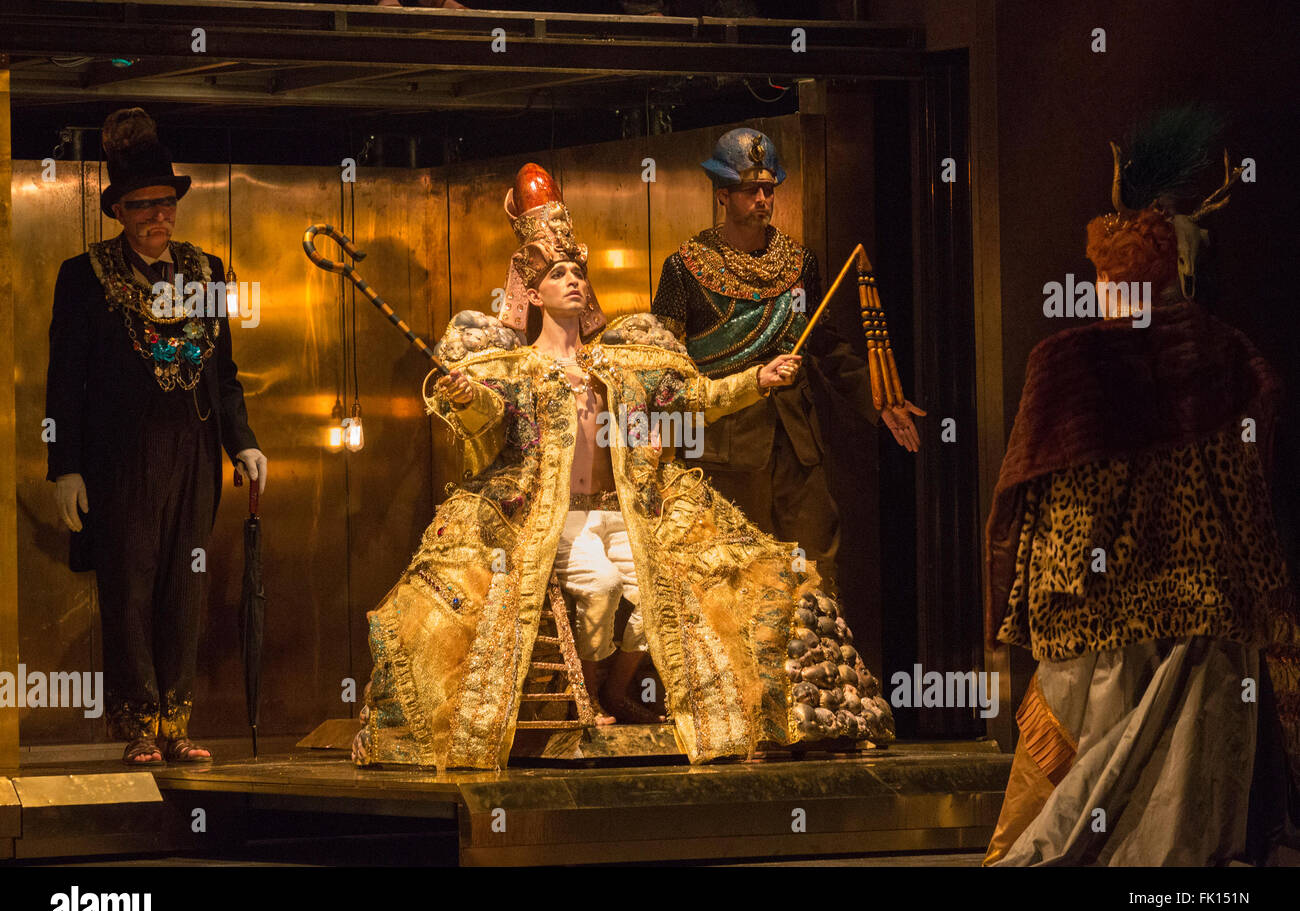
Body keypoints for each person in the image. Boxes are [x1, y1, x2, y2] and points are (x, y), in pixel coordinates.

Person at [353, 163, 894, 770]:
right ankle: (581, 694)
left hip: (630, 512)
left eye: (578, 272)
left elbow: (697, 400)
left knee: (667, 587)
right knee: (603, 590)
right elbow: (484, 417)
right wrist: (463, 396)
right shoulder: (514, 369)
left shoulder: (624, 362)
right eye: (559, 274)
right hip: (555, 518)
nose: (575, 283)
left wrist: (757, 380)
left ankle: (617, 689)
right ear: (532, 291)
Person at [982, 109, 1299, 865]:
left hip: (1095, 603)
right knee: (1188, 773)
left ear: (1110, 277)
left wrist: (1023, 597)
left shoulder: (1064, 362)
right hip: (1203, 599)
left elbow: (1032, 499)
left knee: (1092, 744)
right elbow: (1245, 484)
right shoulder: (1227, 353)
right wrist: (1264, 591)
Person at [45, 108, 267, 765]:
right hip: (120, 456)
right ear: (118, 210)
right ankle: (138, 724)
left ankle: (178, 721)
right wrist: (66, 465)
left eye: (165, 205)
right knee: (130, 588)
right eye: (143, 206)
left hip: (192, 451)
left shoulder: (207, 271)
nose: (157, 218)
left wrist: (243, 442)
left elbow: (224, 373)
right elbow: (64, 381)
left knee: (184, 587)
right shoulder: (85, 276)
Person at [651, 127, 924, 593]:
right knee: (736, 573)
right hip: (723, 444)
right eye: (749, 189)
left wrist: (879, 399)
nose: (762, 198)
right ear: (722, 194)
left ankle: (817, 661)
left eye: (769, 189)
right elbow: (664, 366)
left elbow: (825, 345)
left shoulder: (799, 263)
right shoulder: (686, 268)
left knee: (815, 564)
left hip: (796, 440)